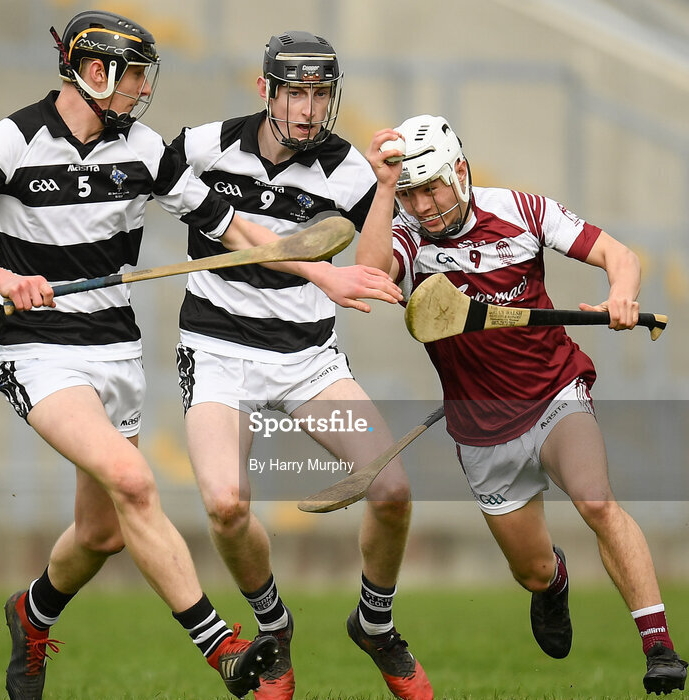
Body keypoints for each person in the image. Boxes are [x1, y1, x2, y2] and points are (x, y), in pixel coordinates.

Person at [0, 11, 386, 700]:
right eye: (132, 76)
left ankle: (32, 614)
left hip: (117, 354)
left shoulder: (146, 149)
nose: (142, 89)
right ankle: (221, 648)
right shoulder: (9, 142)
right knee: (133, 480)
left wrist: (323, 274)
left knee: (100, 534)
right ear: (93, 72)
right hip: (40, 352)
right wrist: (2, 278)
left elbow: (235, 231)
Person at [359, 115, 689, 695]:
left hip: (554, 393)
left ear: (460, 171)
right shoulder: (405, 236)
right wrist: (384, 192)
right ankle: (553, 583)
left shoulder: (522, 211)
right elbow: (367, 275)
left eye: (432, 187)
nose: (424, 204)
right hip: (481, 430)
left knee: (596, 501)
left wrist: (621, 294)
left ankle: (659, 646)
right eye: (410, 193)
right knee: (531, 571)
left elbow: (618, 254)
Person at [170, 31, 432, 700]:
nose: (309, 110)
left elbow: (371, 272)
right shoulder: (202, 147)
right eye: (295, 94)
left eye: (320, 94)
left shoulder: (347, 171)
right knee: (226, 506)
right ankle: (274, 627)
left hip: (307, 361)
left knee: (392, 490)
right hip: (218, 352)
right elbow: (132, 186)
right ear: (266, 91)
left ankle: (375, 625)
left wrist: (384, 188)